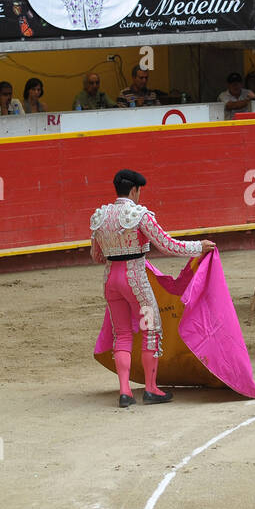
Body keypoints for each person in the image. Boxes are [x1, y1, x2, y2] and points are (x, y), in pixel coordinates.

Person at [90, 169, 214, 408]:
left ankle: (125, 392)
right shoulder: (139, 215)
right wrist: (199, 246)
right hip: (135, 281)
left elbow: (96, 256)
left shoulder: (100, 217)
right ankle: (150, 388)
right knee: (150, 330)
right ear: (135, 190)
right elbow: (167, 245)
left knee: (123, 334)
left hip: (110, 282)